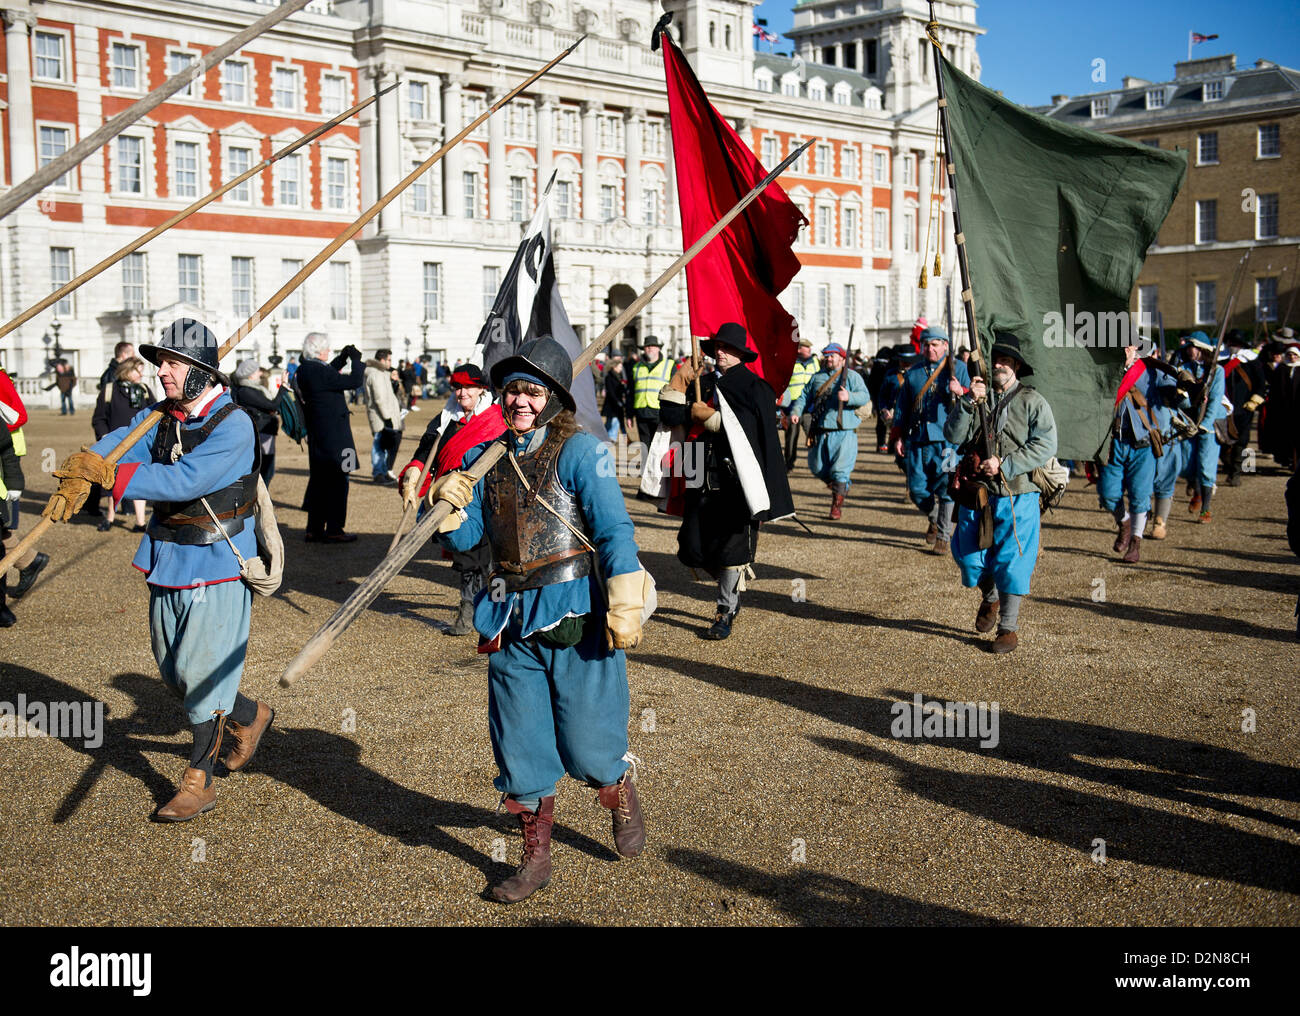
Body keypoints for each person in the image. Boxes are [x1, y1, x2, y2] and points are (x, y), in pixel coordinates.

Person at [429, 336, 648, 904]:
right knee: (521, 746)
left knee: (588, 746)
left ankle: (617, 785)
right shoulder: (491, 457)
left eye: (532, 390)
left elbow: (614, 529)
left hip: (574, 611)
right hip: (506, 613)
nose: (520, 400)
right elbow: (472, 539)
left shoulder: (582, 451)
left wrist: (625, 589)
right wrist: (448, 502)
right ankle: (535, 858)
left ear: (553, 396)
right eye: (511, 390)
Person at [45, 318, 274, 820]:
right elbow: (123, 441)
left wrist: (114, 477)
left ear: (200, 371)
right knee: (174, 671)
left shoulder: (234, 423)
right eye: (160, 363)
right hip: (168, 554)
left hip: (216, 560)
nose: (162, 372)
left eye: (172, 363)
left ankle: (199, 782)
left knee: (201, 674)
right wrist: (87, 465)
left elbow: (185, 480)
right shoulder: (160, 415)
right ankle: (250, 715)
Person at [659, 322, 794, 640]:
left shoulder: (754, 388)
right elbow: (669, 416)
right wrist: (679, 382)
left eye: (727, 347)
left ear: (741, 354)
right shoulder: (701, 384)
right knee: (691, 550)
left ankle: (725, 609)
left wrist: (715, 420)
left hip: (735, 481)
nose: (720, 351)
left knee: (731, 552)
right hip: (695, 474)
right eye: (717, 346)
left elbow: (755, 437)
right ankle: (731, 581)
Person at [945, 333, 1057, 654]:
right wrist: (968, 402)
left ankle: (1008, 628)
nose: (999, 365)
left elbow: (1046, 443)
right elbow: (953, 434)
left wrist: (1006, 464)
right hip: (978, 493)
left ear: (1016, 366)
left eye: (1006, 361)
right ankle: (990, 597)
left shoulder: (1033, 401)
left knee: (1013, 561)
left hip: (1017, 492)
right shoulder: (977, 397)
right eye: (995, 360)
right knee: (967, 555)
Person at [396, 363, 504, 636]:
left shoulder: (497, 417)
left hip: (492, 496)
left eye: (468, 387)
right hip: (454, 499)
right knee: (467, 559)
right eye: (457, 387)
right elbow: (424, 452)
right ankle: (467, 613)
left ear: (481, 388)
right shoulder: (445, 420)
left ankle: (500, 614)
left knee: (494, 559)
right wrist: (413, 472)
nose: (461, 393)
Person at [1097, 345, 1181, 562]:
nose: (1124, 350)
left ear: (1135, 348)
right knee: (1107, 494)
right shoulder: (1105, 368)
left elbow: (1176, 393)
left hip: (1142, 444)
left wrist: (1189, 393)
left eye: (1128, 346)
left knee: (1140, 496)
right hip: (1113, 442)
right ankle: (1124, 523)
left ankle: (1135, 541)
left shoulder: (1151, 371)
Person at [893, 326, 971, 554]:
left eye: (935, 344)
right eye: (926, 345)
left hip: (948, 441)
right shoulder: (914, 373)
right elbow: (902, 407)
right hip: (918, 440)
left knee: (947, 489)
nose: (930, 349)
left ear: (945, 346)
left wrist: (962, 390)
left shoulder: (959, 368)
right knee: (917, 489)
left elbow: (975, 399)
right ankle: (935, 519)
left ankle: (944, 537)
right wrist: (898, 435)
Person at [295, 333, 364, 543]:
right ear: (319, 350)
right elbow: (354, 381)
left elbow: (329, 372)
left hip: (321, 436)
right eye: (328, 348)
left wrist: (343, 357)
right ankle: (335, 528)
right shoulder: (316, 370)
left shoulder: (306, 368)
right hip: (336, 437)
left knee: (320, 482)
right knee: (340, 481)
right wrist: (357, 360)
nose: (329, 351)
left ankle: (314, 528)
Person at [789, 342, 870, 519]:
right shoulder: (817, 377)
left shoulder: (853, 376)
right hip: (820, 429)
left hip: (844, 430)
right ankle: (841, 488)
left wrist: (849, 397)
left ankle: (836, 506)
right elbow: (804, 396)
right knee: (816, 467)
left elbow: (864, 396)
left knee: (840, 470)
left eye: (832, 355)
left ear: (842, 358)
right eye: (827, 355)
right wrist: (796, 412)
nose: (829, 358)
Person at [91, 356, 152, 532]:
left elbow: (155, 414)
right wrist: (104, 437)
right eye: (138, 370)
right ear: (127, 371)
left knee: (140, 480)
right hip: (116, 445)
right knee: (113, 481)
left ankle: (140, 522)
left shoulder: (144, 389)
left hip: (140, 444)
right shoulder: (109, 390)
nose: (141, 374)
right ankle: (109, 518)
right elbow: (99, 418)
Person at [1180, 332, 1226, 524]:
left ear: (1202, 349)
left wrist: (1205, 425)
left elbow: (1215, 400)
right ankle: (1196, 491)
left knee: (1206, 465)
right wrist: (1187, 400)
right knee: (1187, 463)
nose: (1191, 350)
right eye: (1189, 346)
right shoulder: (1183, 369)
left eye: (1194, 347)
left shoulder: (1217, 371)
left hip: (1210, 424)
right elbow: (1181, 399)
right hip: (1189, 421)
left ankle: (1205, 509)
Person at [228, 359, 283, 486]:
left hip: (265, 431)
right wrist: (283, 388)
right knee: (265, 472)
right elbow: (272, 405)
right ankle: (261, 502)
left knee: (267, 471)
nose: (260, 373)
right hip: (261, 431)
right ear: (251, 374)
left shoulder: (253, 388)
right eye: (257, 371)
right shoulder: (246, 390)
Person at [363, 348, 404, 484]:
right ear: (382, 360)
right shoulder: (376, 374)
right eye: (389, 360)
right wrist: (387, 418)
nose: (390, 363)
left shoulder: (381, 373)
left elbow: (389, 395)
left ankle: (383, 471)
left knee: (385, 445)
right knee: (379, 445)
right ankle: (378, 473)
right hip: (380, 416)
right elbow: (379, 398)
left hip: (385, 414)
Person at [780, 338, 818, 470]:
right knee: (791, 438)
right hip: (792, 408)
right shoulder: (789, 363)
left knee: (812, 435)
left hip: (809, 408)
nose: (809, 350)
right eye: (806, 347)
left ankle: (816, 461)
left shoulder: (815, 363)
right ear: (799, 349)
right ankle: (789, 463)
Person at [630, 335, 672, 449]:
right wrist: (629, 414)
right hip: (641, 412)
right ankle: (645, 467)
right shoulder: (636, 367)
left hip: (660, 413)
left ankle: (658, 467)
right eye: (647, 346)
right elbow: (631, 392)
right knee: (644, 446)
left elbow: (675, 391)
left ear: (659, 348)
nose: (650, 349)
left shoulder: (669, 365)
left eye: (653, 346)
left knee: (659, 447)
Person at [602, 354, 627, 441]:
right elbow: (611, 391)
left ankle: (609, 437)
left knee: (614, 421)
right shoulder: (609, 377)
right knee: (612, 421)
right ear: (614, 367)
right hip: (611, 403)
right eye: (620, 366)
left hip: (617, 403)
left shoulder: (618, 376)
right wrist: (617, 401)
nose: (621, 368)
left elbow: (620, 389)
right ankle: (609, 437)